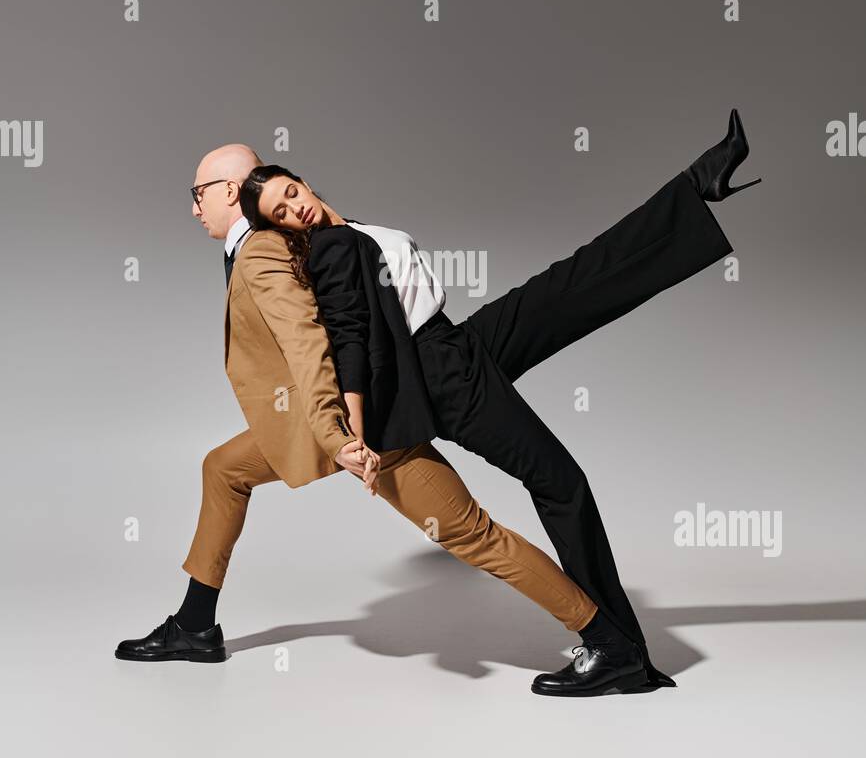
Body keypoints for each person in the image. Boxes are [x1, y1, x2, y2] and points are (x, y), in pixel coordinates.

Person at [239, 109, 762, 695]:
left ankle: (695, 189)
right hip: (439, 374)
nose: (293, 209)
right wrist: (353, 432)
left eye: (289, 193)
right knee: (561, 481)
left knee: (570, 284)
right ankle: (614, 648)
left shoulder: (352, 227)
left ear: (303, 180)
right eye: (280, 214)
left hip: (453, 340)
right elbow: (349, 339)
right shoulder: (332, 248)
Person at [115, 144, 611, 687]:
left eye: (198, 194)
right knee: (224, 468)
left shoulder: (259, 251)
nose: (194, 208)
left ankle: (605, 639)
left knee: (472, 534)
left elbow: (309, 344)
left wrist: (338, 435)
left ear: (229, 191)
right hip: (319, 420)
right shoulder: (268, 244)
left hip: (360, 429)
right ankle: (194, 625)